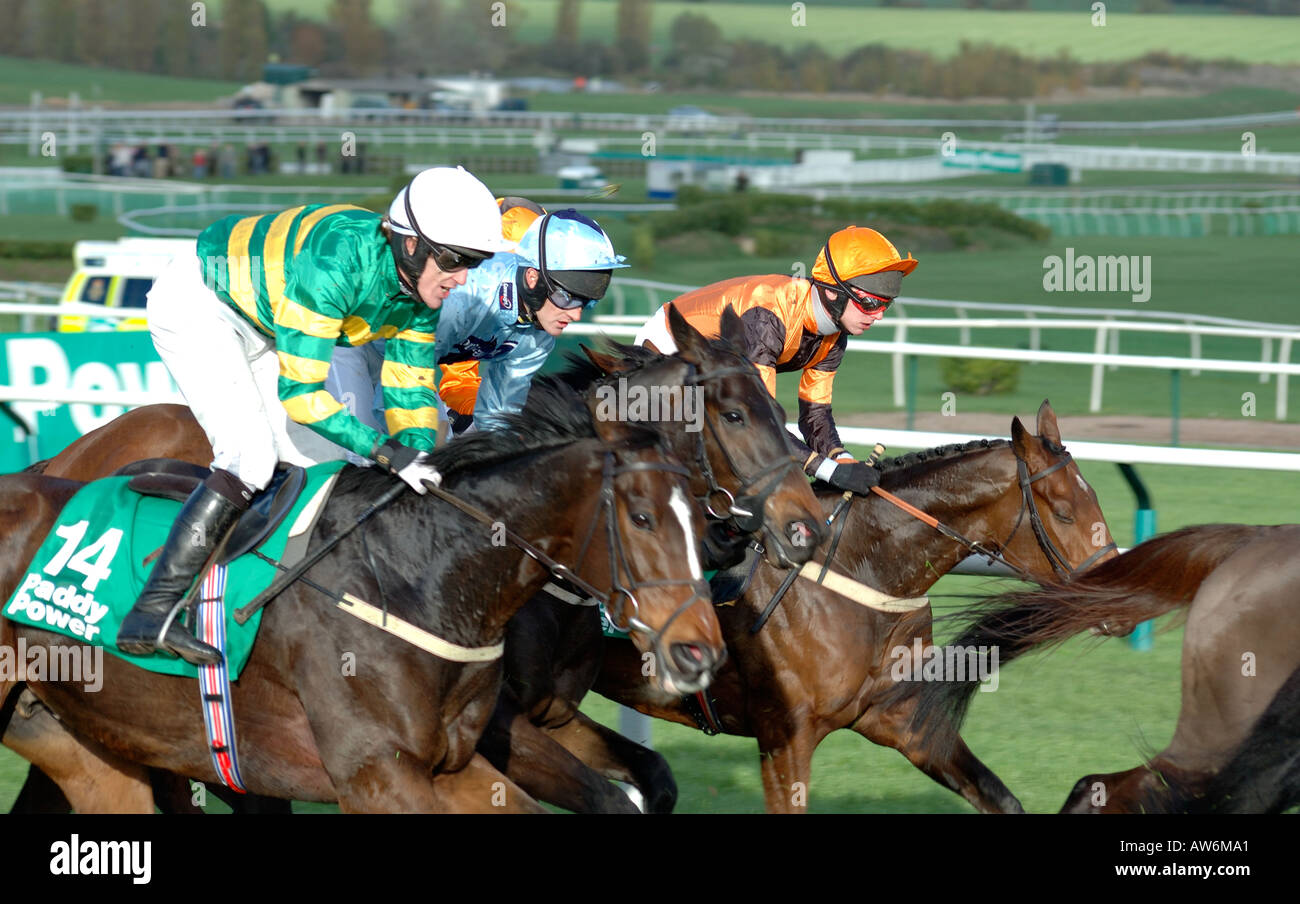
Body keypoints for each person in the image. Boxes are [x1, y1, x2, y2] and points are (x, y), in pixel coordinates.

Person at [117, 166, 513, 665]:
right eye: (456, 260)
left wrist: (418, 460)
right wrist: (386, 451)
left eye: (474, 263)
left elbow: (408, 387)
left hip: (264, 322)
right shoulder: (337, 260)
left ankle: (259, 602)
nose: (463, 278)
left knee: (326, 473)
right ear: (410, 245)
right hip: (201, 302)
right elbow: (301, 396)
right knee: (251, 459)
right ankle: (153, 611)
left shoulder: (419, 291)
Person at [634, 225, 917, 496]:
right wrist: (828, 471)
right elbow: (762, 421)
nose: (878, 315)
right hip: (670, 349)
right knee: (721, 458)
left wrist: (842, 460)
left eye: (886, 304)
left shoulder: (834, 335)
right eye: (870, 303)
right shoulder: (767, 319)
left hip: (715, 368)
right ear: (832, 291)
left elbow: (815, 416)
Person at [327, 200, 625, 440]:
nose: (574, 314)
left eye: (586, 302)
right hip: (351, 338)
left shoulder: (542, 329)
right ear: (533, 278)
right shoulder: (465, 294)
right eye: (568, 297)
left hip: (406, 358)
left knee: (442, 452)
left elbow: (496, 419)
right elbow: (398, 394)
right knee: (361, 453)